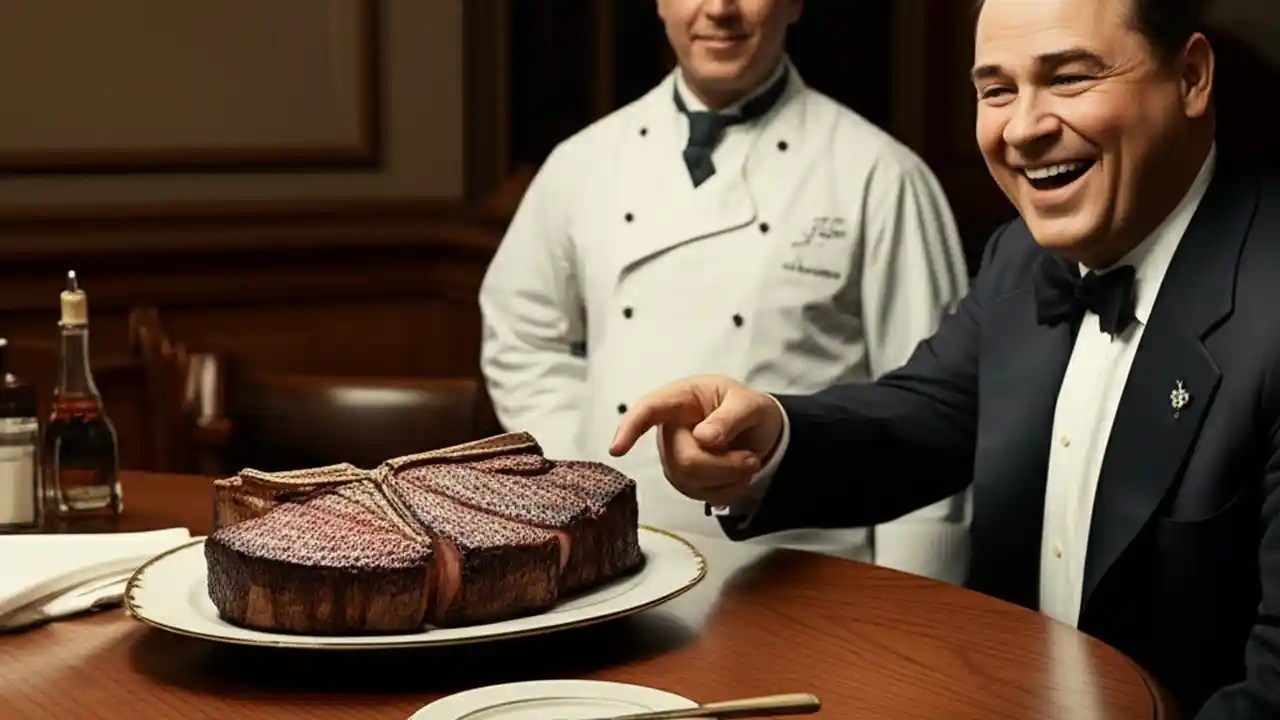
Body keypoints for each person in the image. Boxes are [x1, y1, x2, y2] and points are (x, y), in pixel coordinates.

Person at [609, 0, 1280, 715]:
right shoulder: (1018, 258)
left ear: (1192, 77)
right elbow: (926, 415)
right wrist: (767, 435)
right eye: (996, 90)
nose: (1023, 127)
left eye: (1071, 78)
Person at [478, 0, 973, 581]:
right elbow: (521, 333)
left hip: (812, 577)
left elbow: (934, 415)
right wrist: (583, 466)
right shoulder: (582, 163)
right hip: (621, 563)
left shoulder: (881, 176)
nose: (720, 10)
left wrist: (913, 612)